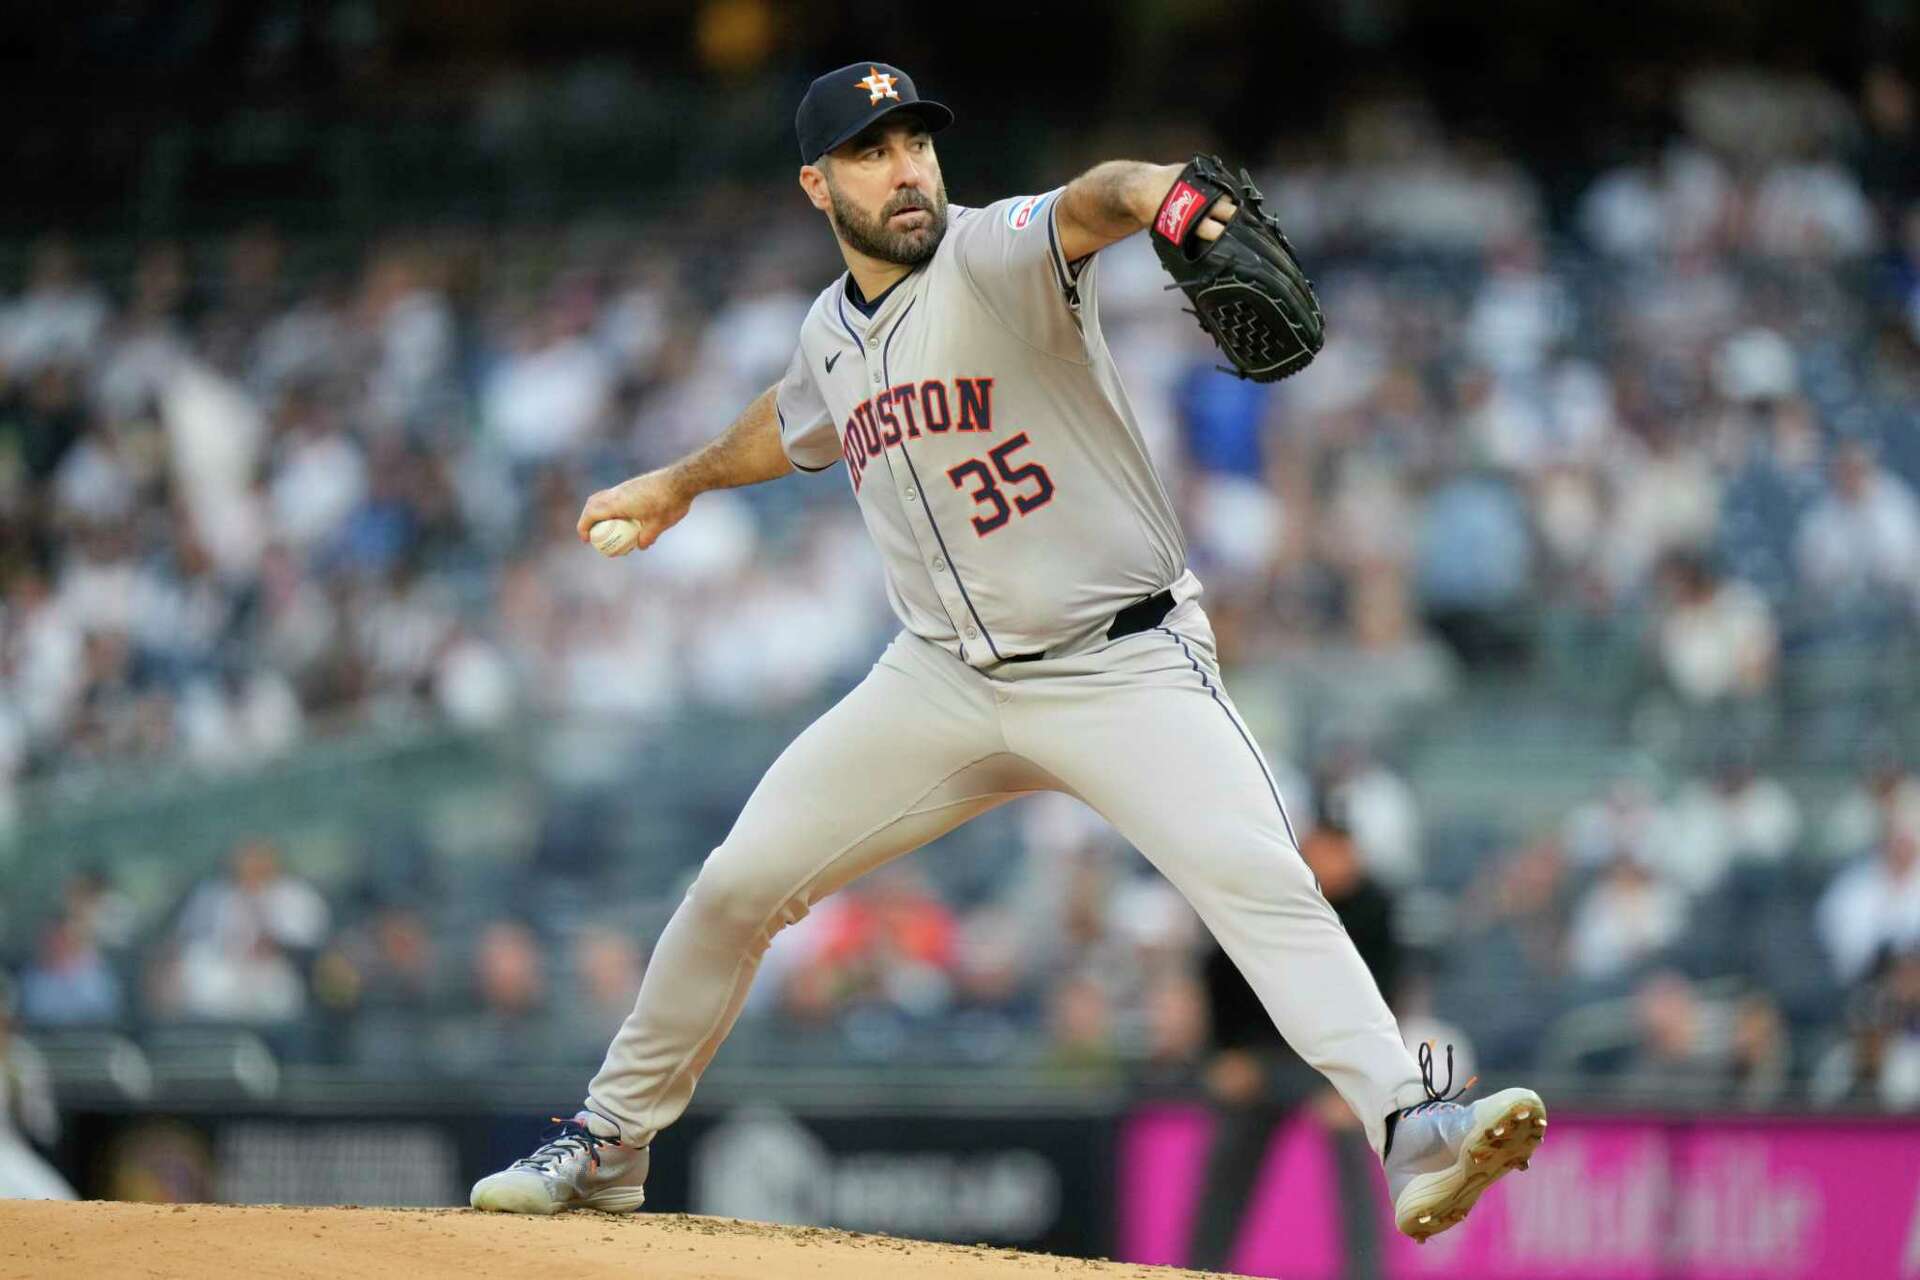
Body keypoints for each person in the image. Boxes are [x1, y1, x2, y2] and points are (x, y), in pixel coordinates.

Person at [470, 61, 1545, 1242]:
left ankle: (1411, 1126)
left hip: (1119, 662)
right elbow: (790, 421)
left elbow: (1098, 197)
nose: (907, 167)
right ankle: (610, 1142)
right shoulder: (831, 332)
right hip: (939, 677)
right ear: (816, 187)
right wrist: (678, 482)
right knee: (734, 883)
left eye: (917, 141)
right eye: (873, 152)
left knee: (1259, 879)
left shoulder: (994, 252)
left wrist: (1168, 201)